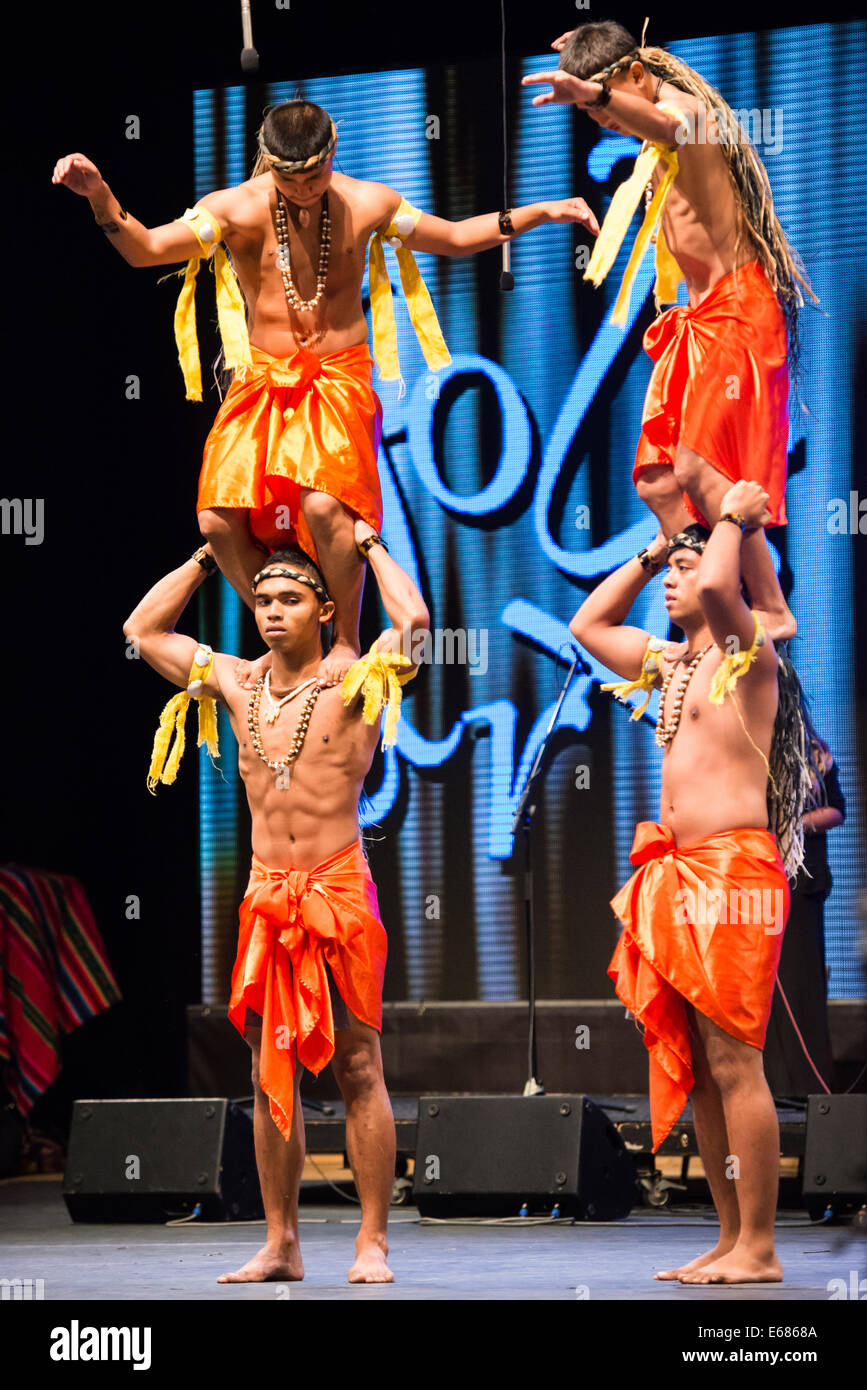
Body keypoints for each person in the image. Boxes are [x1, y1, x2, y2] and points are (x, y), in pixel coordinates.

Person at [55, 99, 599, 685]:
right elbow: (147, 251)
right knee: (215, 519)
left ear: (332, 151)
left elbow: (456, 237)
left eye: (314, 175)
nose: (305, 188)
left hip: (338, 377)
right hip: (261, 379)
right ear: (269, 163)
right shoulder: (234, 209)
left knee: (321, 505)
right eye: (290, 178)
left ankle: (344, 638)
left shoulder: (368, 202)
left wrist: (543, 210)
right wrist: (101, 198)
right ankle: (286, 626)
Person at [122, 519, 429, 1285]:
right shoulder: (236, 680)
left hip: (336, 888)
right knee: (268, 1073)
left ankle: (371, 1242)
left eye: (290, 598)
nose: (271, 611)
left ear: (325, 610)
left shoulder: (357, 677)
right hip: (267, 896)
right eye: (262, 599)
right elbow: (142, 628)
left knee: (359, 1064)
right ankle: (281, 1242)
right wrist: (209, 555)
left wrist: (365, 545)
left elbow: (416, 623)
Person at [569, 478, 809, 1285]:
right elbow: (586, 625)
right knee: (703, 1065)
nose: (675, 579)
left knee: (735, 1063)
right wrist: (650, 549)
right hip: (676, 874)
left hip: (734, 871)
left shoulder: (748, 652)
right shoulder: (673, 663)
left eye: (683, 567)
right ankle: (729, 1233)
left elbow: (715, 583)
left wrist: (735, 512)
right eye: (668, 569)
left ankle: (762, 1249)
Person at [525, 21, 817, 641]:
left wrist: (596, 95)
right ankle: (712, 600)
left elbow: (667, 124)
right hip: (699, 319)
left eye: (610, 106)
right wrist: (595, 56)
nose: (607, 122)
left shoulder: (689, 113)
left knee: (700, 469)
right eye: (600, 117)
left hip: (738, 311)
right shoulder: (652, 128)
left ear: (636, 78)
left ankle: (770, 605)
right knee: (658, 477)